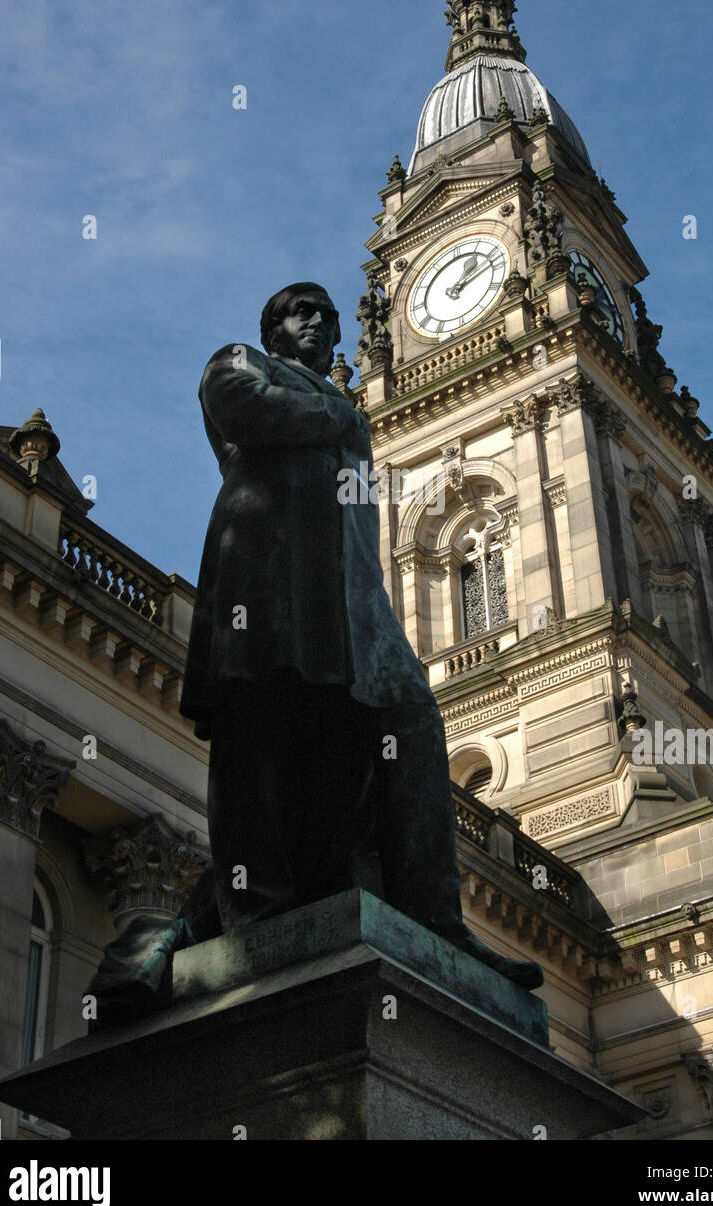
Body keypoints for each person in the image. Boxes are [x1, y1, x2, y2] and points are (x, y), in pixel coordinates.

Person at [179, 281, 542, 987]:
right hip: (265, 588)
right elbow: (243, 410)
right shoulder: (241, 363)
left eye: (325, 314)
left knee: (414, 722)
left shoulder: (349, 421)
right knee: (259, 737)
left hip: (347, 612)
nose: (315, 321)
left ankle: (436, 918)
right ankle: (254, 913)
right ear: (274, 330)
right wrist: (340, 418)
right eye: (298, 312)